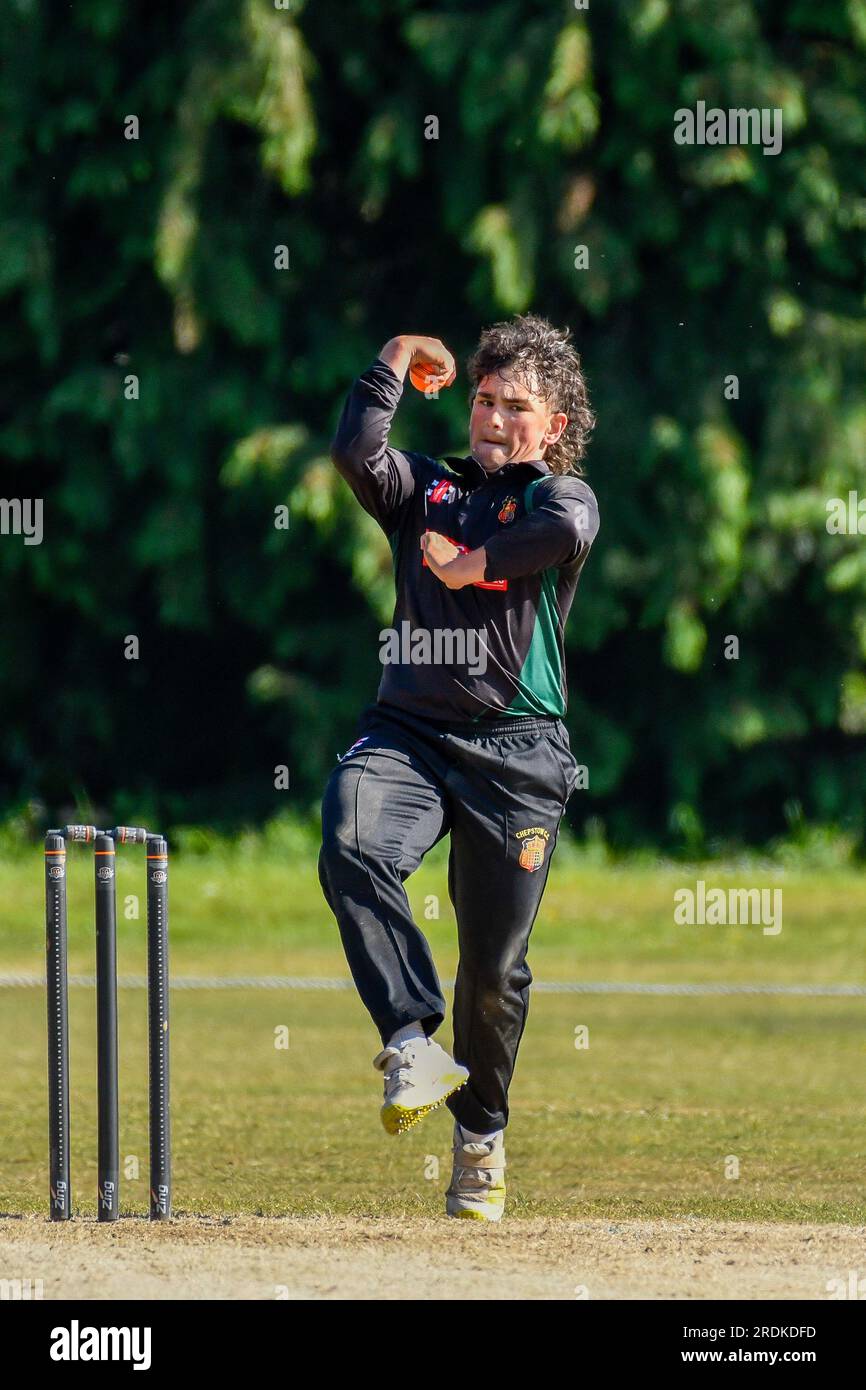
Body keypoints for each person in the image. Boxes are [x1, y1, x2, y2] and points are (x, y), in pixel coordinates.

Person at [318, 313, 599, 1220]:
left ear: (551, 426)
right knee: (350, 838)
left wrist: (476, 563)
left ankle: (480, 1137)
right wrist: (396, 357)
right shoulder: (426, 488)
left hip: (517, 757)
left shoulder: (557, 498)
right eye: (483, 399)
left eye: (515, 406)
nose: (491, 418)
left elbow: (563, 531)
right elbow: (358, 454)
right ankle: (408, 1039)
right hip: (406, 733)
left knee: (494, 969)